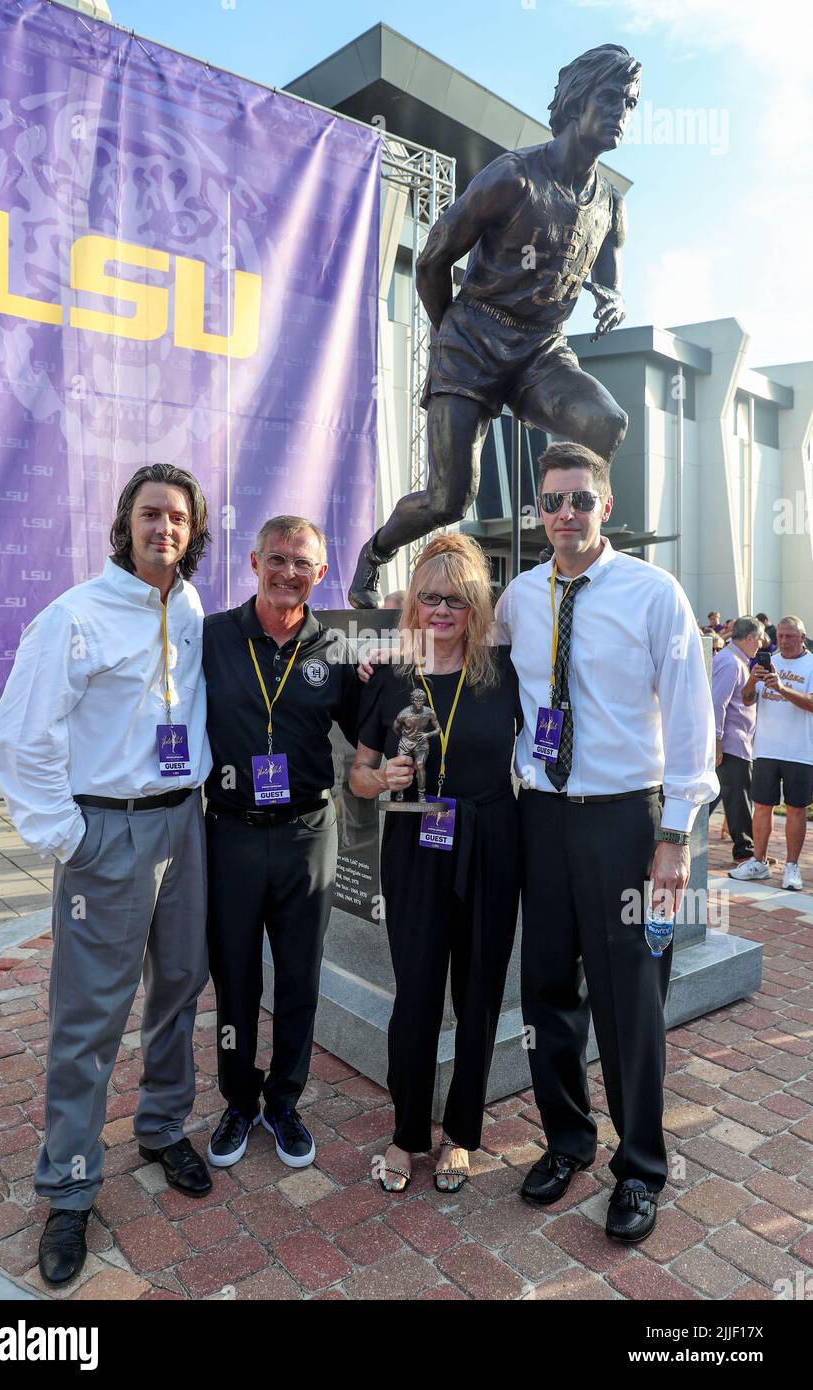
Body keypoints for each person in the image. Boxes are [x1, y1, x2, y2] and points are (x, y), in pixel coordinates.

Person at [0, 464, 213, 1287]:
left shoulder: (186, 608)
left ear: (193, 533)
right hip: (108, 834)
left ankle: (161, 1126)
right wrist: (70, 840)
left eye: (179, 518)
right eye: (151, 514)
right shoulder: (74, 616)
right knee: (89, 1019)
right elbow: (22, 736)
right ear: (125, 524)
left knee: (181, 988)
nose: (165, 528)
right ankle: (70, 1187)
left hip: (185, 824)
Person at [495, 440, 717, 1243]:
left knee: (631, 1002)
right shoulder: (519, 598)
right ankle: (567, 1142)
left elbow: (693, 722)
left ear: (606, 507)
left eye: (580, 500)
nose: (564, 514)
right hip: (542, 817)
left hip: (628, 821)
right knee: (549, 988)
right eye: (551, 501)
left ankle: (642, 1167)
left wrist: (675, 836)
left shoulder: (655, 594)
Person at [348, 44, 641, 606]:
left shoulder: (609, 203)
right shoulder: (513, 176)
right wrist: (447, 338)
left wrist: (613, 297)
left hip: (541, 350)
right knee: (448, 500)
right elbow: (433, 259)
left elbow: (610, 267)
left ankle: (573, 546)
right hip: (474, 334)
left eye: (628, 103)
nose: (620, 113)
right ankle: (376, 552)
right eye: (609, 98)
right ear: (577, 100)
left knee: (607, 422)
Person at [350, 534, 521, 1193]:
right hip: (414, 843)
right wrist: (380, 777)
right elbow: (358, 774)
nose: (442, 610)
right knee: (416, 993)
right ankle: (405, 1133)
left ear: (477, 603)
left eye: (457, 597)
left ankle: (462, 1135)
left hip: (491, 840)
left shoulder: (503, 672)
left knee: (477, 997)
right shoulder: (390, 674)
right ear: (413, 603)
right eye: (430, 597)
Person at [203, 517, 361, 1170]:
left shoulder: (337, 650)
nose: (289, 572)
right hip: (232, 833)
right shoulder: (211, 637)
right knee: (234, 976)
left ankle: (285, 1101)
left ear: (321, 574)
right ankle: (239, 1100)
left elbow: (370, 729)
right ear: (254, 561)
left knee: (299, 977)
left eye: (304, 564)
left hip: (307, 836)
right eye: (278, 558)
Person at [729, 615, 813, 891]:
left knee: (795, 809)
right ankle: (759, 861)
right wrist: (753, 681)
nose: (785, 641)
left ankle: (791, 867)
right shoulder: (769, 661)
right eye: (781, 637)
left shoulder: (810, 664)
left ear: (802, 638)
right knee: (762, 807)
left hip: (799, 750)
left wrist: (781, 687)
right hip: (765, 748)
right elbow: (747, 699)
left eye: (791, 636)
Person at [710, 617, 765, 862]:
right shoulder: (731, 663)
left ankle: (746, 848)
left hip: (736, 742)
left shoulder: (735, 660)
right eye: (760, 638)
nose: (762, 644)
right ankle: (745, 849)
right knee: (737, 796)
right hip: (731, 743)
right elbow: (717, 703)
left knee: (725, 796)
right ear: (750, 637)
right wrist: (717, 740)